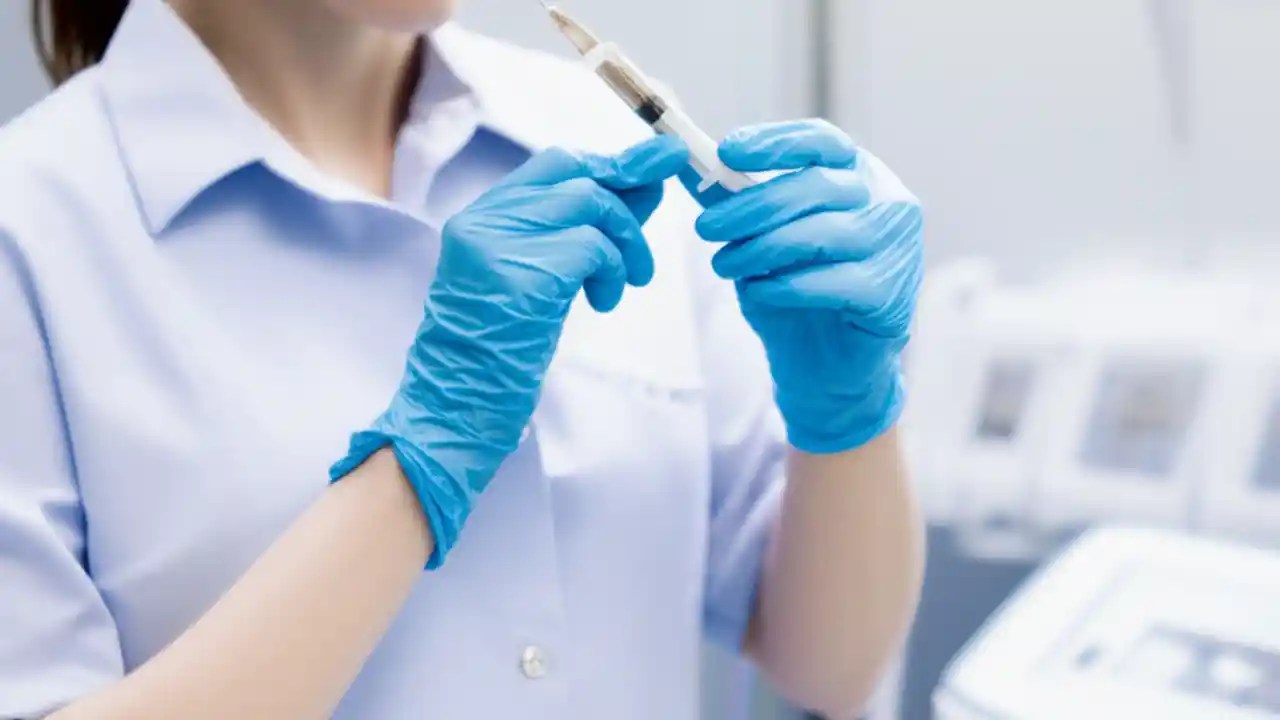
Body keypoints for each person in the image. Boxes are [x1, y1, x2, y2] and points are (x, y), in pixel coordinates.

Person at [0, 0, 925, 717]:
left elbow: (832, 668)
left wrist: (846, 411)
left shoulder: (600, 137)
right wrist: (426, 453)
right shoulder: (31, 235)